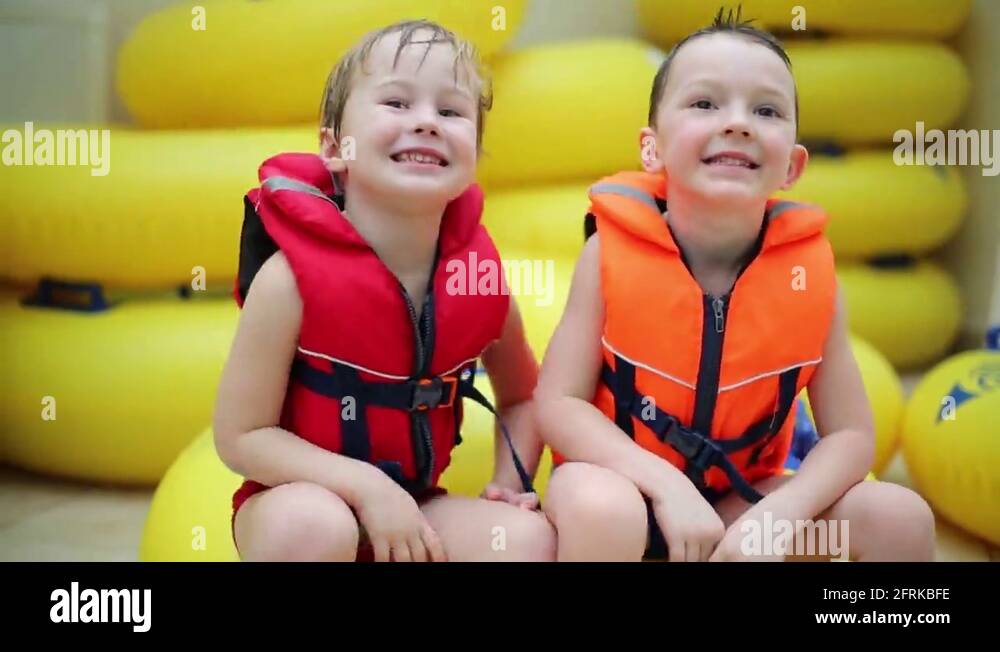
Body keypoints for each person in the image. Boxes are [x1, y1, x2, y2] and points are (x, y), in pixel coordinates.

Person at [534, 8, 935, 562]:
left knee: (899, 517)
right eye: (705, 103)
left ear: (792, 166)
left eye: (766, 110)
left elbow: (850, 437)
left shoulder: (809, 273)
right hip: (624, 491)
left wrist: (781, 512)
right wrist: (664, 485)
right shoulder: (608, 253)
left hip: (740, 503)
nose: (738, 122)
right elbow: (558, 402)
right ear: (651, 148)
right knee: (603, 507)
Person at [213, 19, 555, 562]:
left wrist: (510, 482)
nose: (426, 123)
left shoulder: (477, 280)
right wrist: (367, 489)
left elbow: (523, 395)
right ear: (334, 147)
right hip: (296, 501)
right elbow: (241, 436)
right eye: (396, 103)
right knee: (313, 525)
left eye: (450, 111)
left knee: (525, 540)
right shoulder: (289, 280)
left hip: (417, 504)